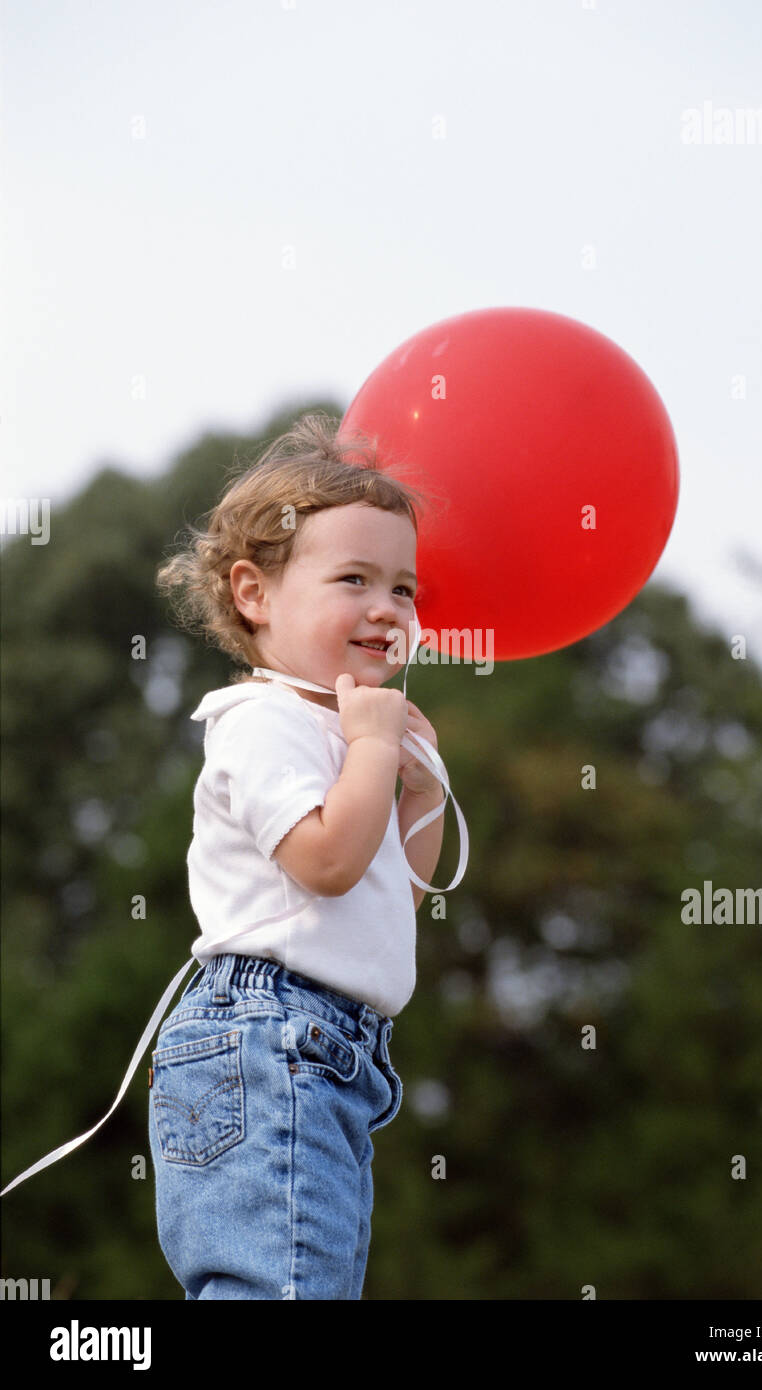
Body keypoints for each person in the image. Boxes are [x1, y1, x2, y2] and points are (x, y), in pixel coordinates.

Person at [148, 411, 454, 1299]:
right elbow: (326, 863)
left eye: (405, 589)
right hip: (267, 1037)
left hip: (328, 1054)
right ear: (254, 592)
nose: (387, 608)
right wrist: (367, 752)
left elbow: (396, 893)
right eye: (354, 578)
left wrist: (419, 791)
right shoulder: (262, 721)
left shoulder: (340, 725)